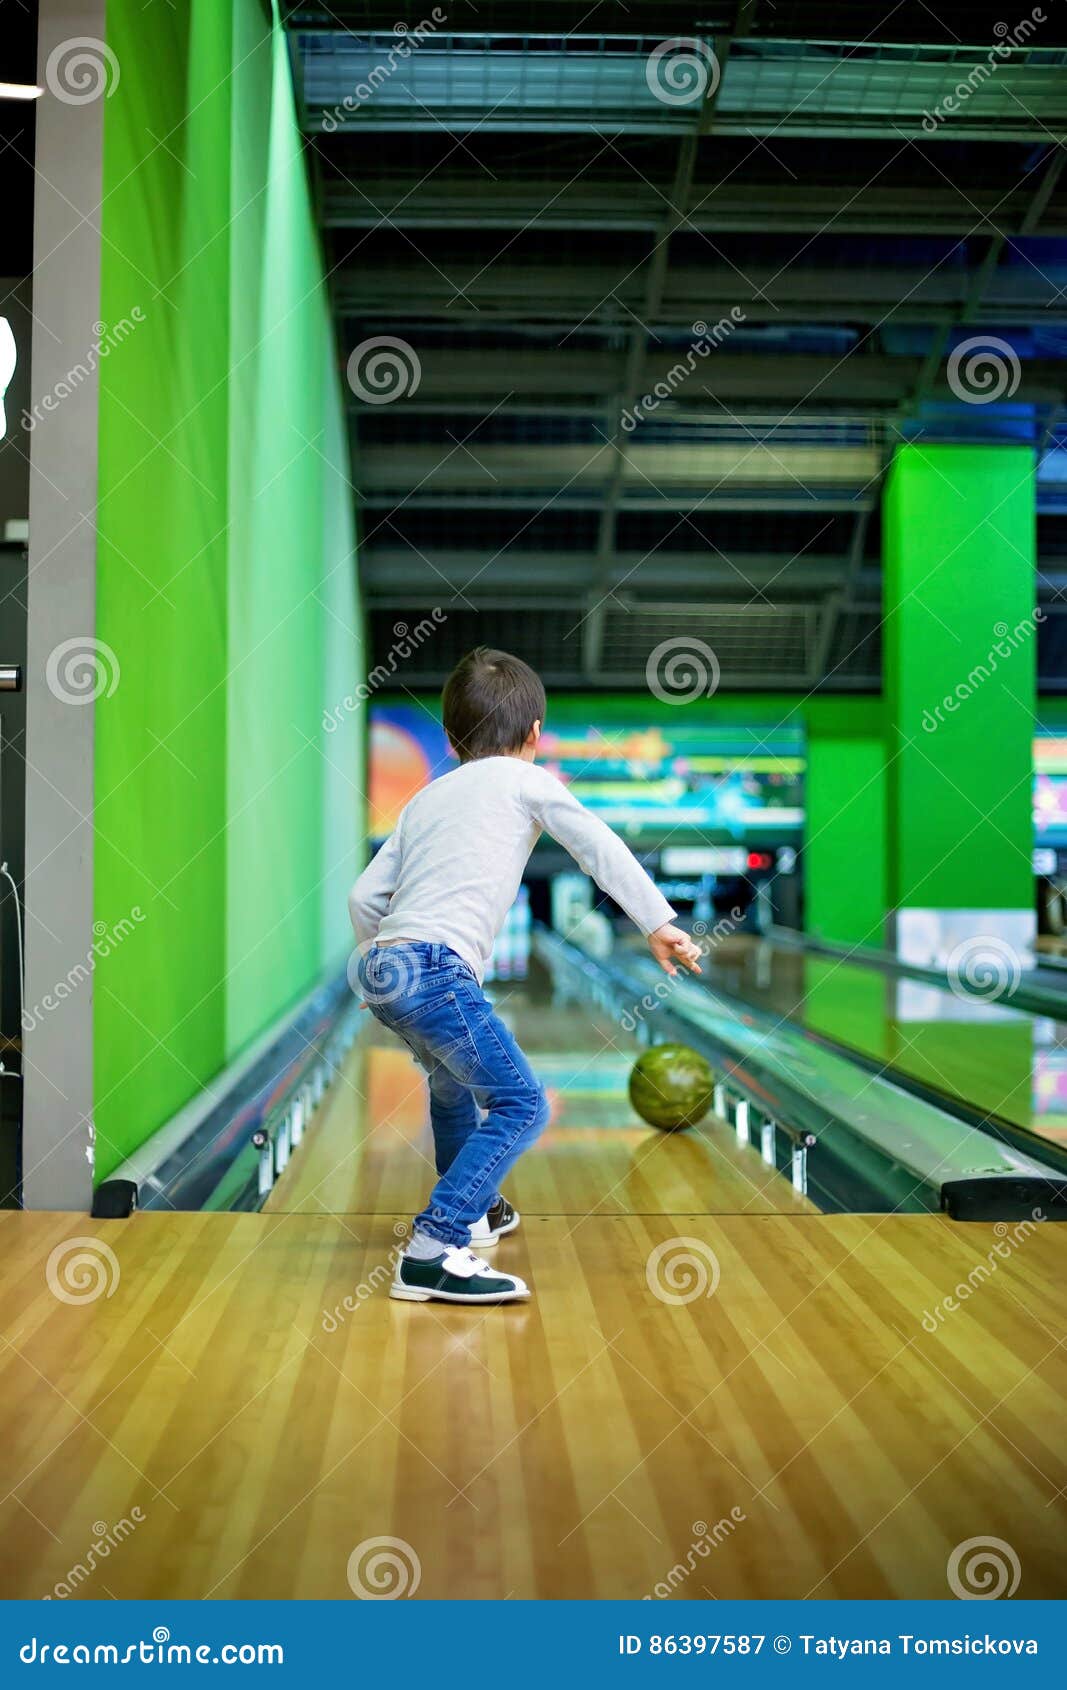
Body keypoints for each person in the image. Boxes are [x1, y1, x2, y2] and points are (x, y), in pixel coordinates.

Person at [349, 648, 702, 1305]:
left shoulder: (425, 800)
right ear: (535, 733)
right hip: (435, 966)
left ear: (452, 738)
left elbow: (365, 898)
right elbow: (597, 845)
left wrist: (382, 967)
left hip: (384, 964)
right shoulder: (526, 781)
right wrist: (656, 920)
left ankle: (475, 1212)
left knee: (453, 1090)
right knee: (521, 1103)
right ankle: (431, 1248)